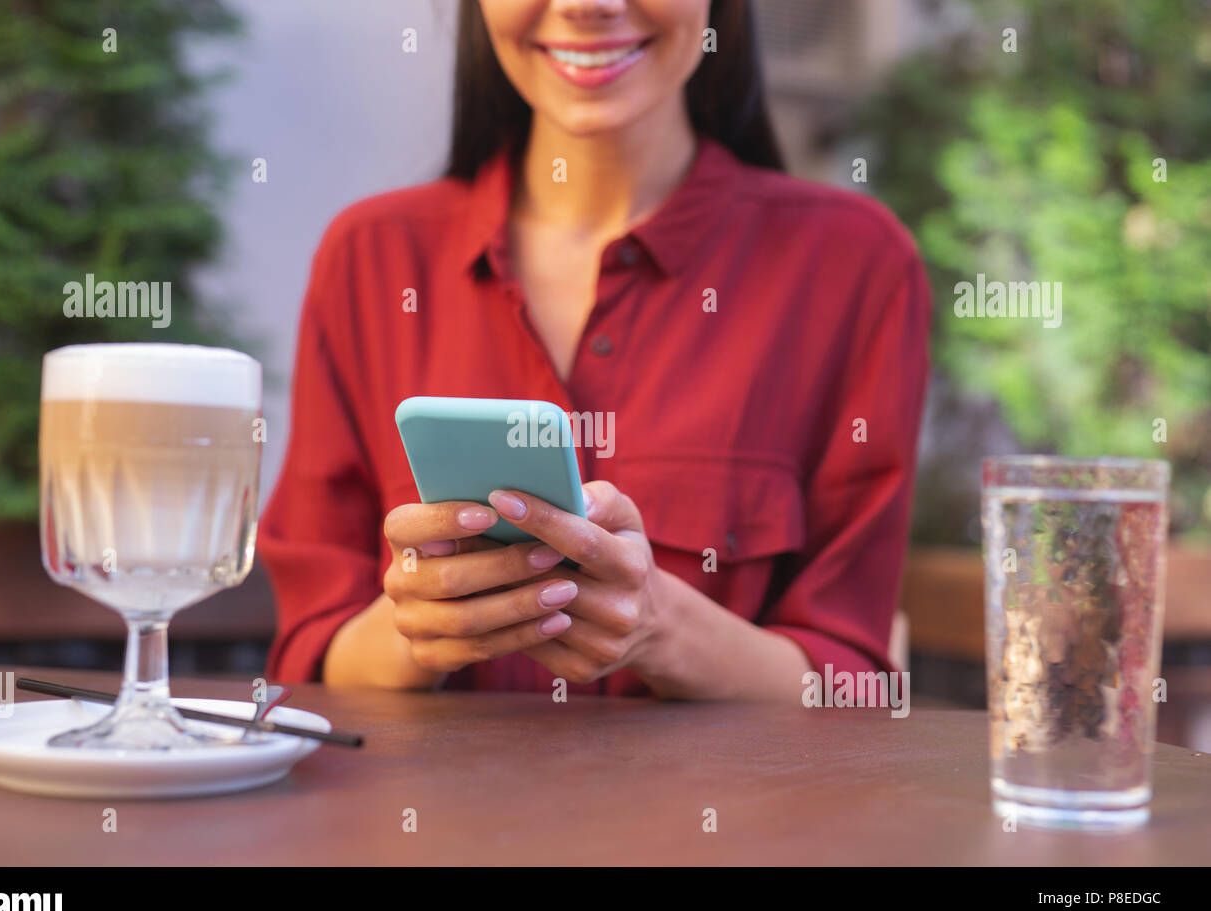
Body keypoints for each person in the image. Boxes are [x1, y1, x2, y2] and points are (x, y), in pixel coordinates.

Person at [259, 0, 931, 699]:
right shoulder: (370, 260)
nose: (589, 5)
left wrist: (662, 628)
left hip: (717, 811)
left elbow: (852, 688)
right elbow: (311, 655)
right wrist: (415, 633)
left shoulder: (854, 267)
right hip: (438, 811)